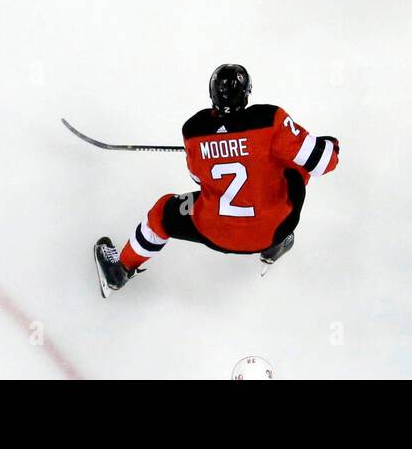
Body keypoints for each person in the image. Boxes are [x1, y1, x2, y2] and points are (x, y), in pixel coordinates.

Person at [93, 64, 339, 296]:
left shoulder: (194, 130)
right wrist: (330, 145)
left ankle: (119, 271)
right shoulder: (269, 119)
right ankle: (275, 246)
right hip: (275, 228)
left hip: (213, 229)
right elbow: (325, 163)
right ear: (247, 94)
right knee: (293, 165)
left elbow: (198, 178)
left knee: (163, 212)